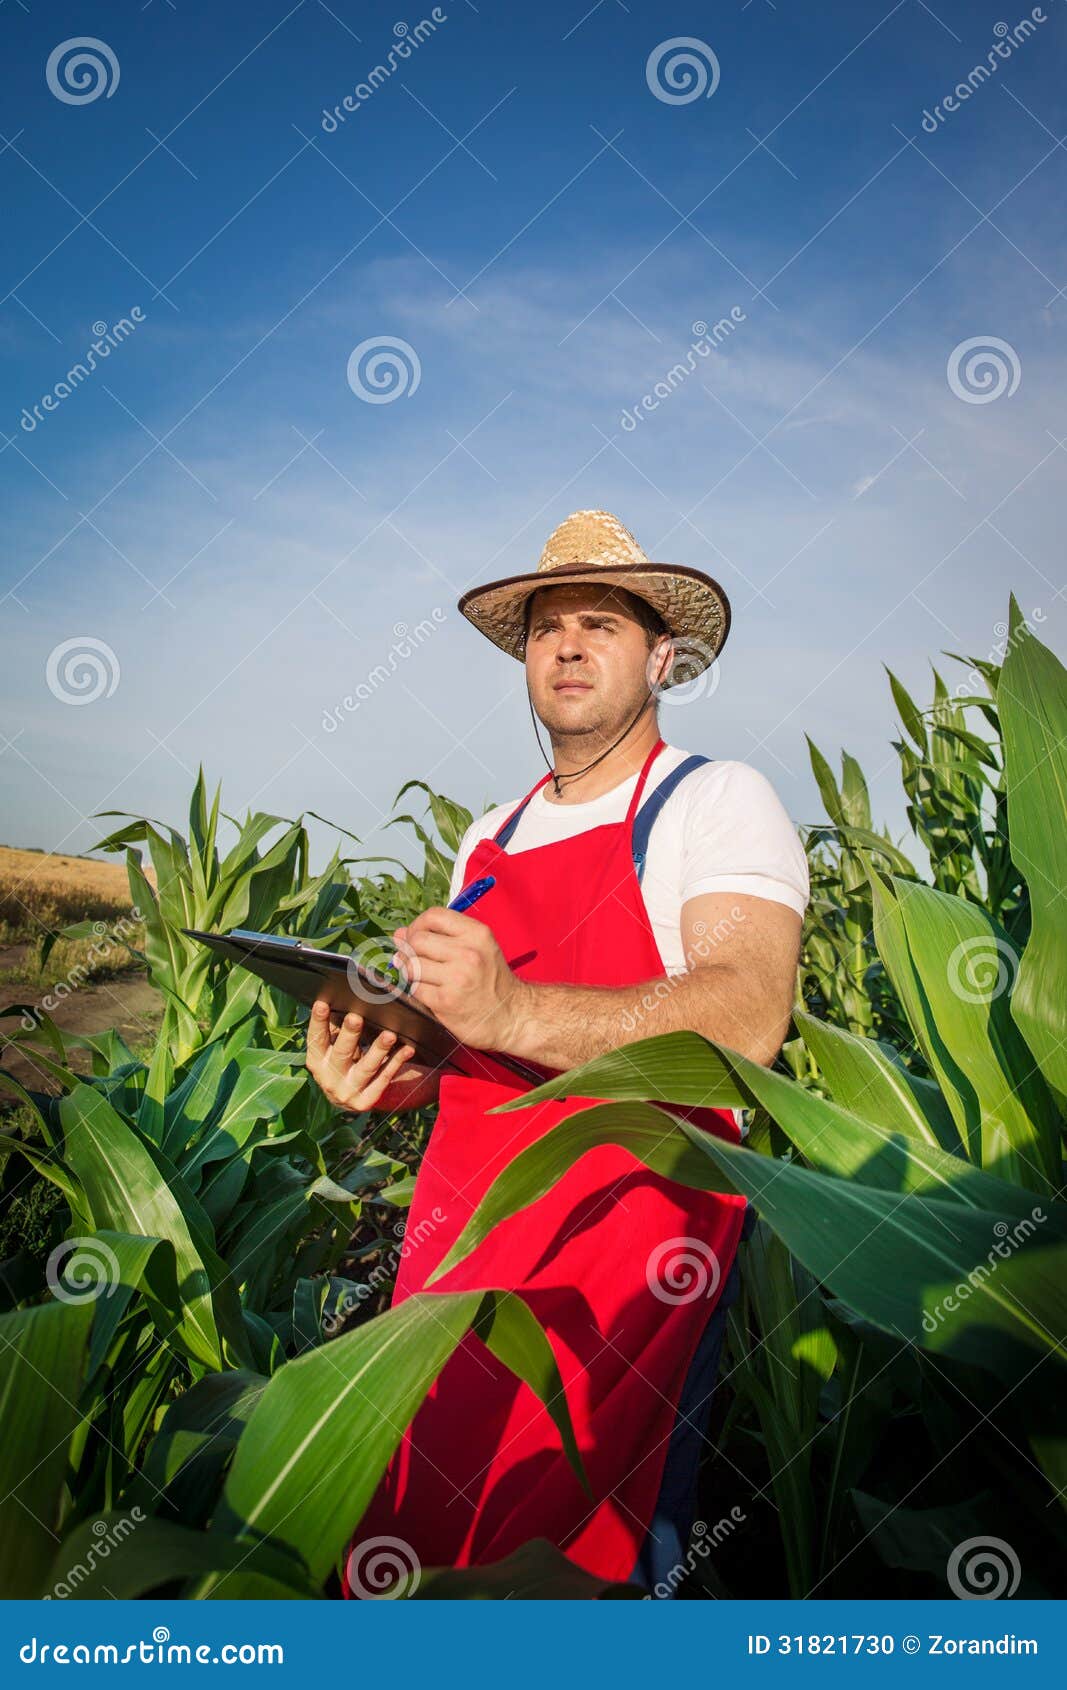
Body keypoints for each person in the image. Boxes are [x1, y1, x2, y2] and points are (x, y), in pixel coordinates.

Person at [305, 508, 809, 1595]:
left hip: (621, 1273)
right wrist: (395, 1071)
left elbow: (744, 1012)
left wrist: (517, 1011)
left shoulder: (711, 802)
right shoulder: (488, 831)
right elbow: (476, 1050)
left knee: (580, 1561)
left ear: (659, 656)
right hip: (458, 1246)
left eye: (599, 624)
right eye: (545, 629)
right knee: (412, 1534)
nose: (567, 646)